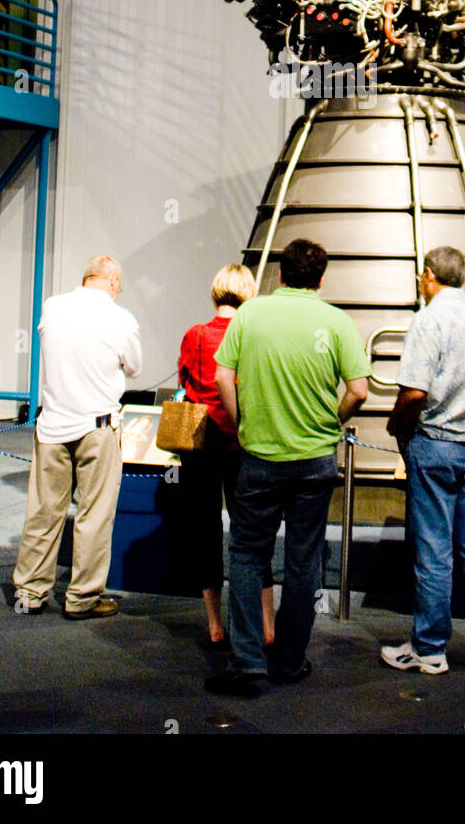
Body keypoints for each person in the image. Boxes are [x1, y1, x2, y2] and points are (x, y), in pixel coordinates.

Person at [205, 238, 370, 694]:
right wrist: (330, 424)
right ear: (321, 279)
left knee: (246, 554)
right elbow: (358, 390)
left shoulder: (250, 314)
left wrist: (242, 425)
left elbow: (223, 376)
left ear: (279, 274)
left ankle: (248, 659)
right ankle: (290, 659)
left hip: (259, 458)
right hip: (316, 462)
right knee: (304, 561)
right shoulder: (336, 322)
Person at [381, 246, 465, 674]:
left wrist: (396, 426)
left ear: (429, 276)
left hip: (435, 447)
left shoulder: (428, 320)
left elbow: (415, 392)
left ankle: (431, 650)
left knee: (434, 548)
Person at [13, 254, 142, 618]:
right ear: (113, 281)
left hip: (52, 425)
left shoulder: (53, 307)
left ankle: (30, 593)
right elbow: (134, 367)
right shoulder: (120, 318)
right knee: (94, 514)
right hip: (96, 427)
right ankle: (82, 597)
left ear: (86, 278)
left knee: (42, 512)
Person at [177, 263, 275, 644]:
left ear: (216, 291)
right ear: (248, 293)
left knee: (205, 532)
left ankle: (215, 625)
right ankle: (266, 626)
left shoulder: (195, 335)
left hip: (201, 446)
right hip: (244, 444)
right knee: (251, 533)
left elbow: (185, 378)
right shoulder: (254, 335)